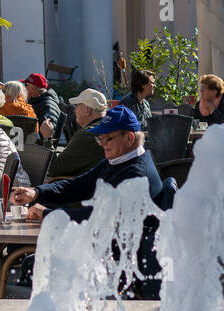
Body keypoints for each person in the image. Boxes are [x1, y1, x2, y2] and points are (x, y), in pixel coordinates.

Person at [11, 104, 176, 297]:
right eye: (99, 138)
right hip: (107, 248)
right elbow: (78, 186)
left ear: (129, 138)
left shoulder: (136, 175)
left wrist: (48, 213)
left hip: (118, 262)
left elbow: (102, 218)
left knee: (34, 267)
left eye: (107, 138)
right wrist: (36, 193)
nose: (102, 144)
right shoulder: (119, 160)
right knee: (32, 265)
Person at [46, 88, 107, 180]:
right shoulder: (111, 128)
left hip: (85, 190)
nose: (75, 110)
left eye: (78, 106)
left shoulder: (88, 134)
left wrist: (48, 138)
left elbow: (53, 169)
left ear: (87, 110)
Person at [24, 71, 61, 140]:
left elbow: (46, 134)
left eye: (26, 85)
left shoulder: (48, 105)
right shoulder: (36, 101)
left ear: (33, 88)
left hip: (37, 146)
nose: (24, 88)